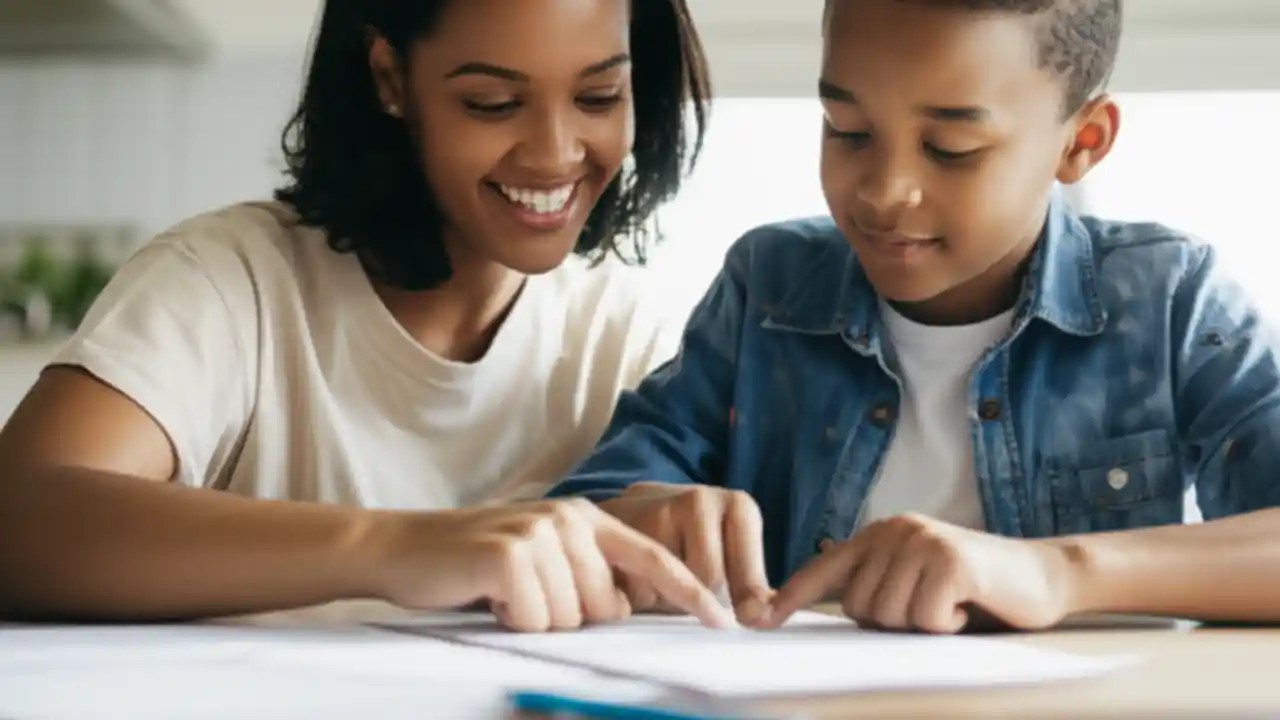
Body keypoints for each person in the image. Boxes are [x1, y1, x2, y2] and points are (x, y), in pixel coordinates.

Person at [0, 0, 738, 633]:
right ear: (390, 77)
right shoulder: (233, 282)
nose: (555, 153)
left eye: (600, 96)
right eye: (492, 103)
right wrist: (400, 549)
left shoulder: (624, 337)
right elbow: (19, 518)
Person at [550, 0, 1280, 633]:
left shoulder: (1169, 299)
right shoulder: (767, 291)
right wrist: (639, 517)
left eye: (949, 149)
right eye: (848, 130)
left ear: (1080, 141)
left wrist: (1057, 574)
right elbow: (582, 517)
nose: (884, 192)